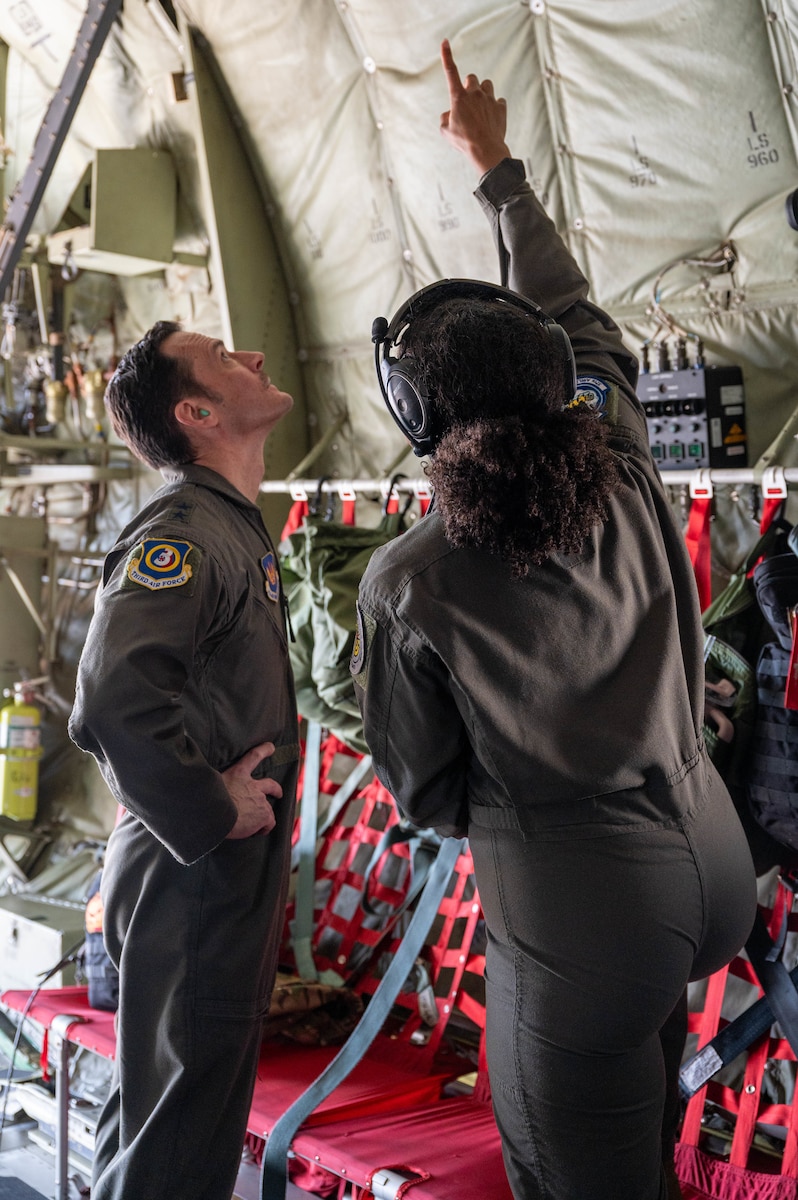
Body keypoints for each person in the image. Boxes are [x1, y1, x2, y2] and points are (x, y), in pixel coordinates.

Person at [351, 41, 757, 1200]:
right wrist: (499, 170)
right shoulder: (625, 462)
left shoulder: (411, 578)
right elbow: (572, 305)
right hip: (709, 854)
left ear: (419, 422)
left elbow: (426, 795)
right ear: (552, 379)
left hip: (584, 906)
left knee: (573, 1172)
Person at [68, 322, 299, 1200]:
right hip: (191, 871)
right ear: (197, 413)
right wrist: (211, 809)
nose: (256, 356)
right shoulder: (187, 535)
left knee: (160, 1127)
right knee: (177, 1149)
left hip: (198, 870)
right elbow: (114, 699)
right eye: (224, 358)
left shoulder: (229, 527)